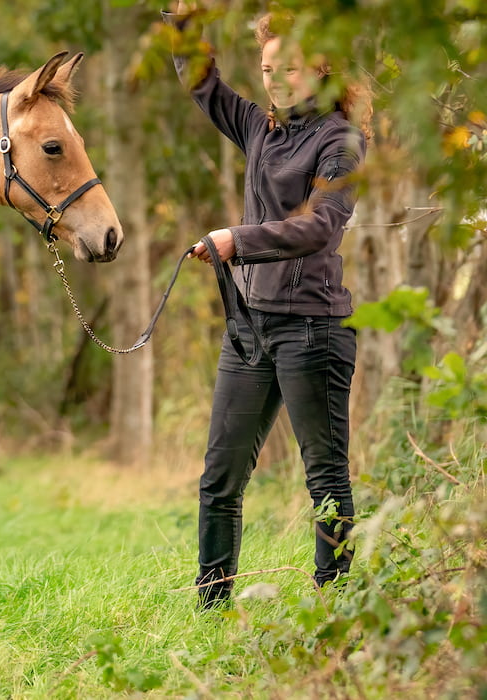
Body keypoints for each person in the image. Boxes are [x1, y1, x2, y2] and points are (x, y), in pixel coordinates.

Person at [163, 6, 372, 609]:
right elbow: (201, 82)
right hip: (249, 331)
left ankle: (334, 610)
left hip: (313, 330)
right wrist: (183, 21)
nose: (274, 80)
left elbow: (320, 226)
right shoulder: (261, 128)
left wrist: (238, 241)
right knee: (219, 480)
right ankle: (211, 609)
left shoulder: (342, 141)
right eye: (266, 67)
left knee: (325, 480)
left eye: (290, 68)